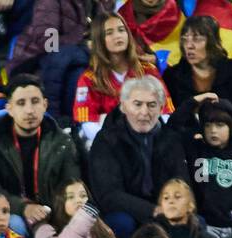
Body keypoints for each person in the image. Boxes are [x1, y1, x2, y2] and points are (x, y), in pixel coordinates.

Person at [89, 76, 190, 238]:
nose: (144, 112)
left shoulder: (171, 139)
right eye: (137, 104)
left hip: (164, 208)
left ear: (161, 108)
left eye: (151, 105)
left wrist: (174, 208)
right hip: (124, 211)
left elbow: (181, 181)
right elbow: (109, 195)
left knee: (193, 222)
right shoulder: (106, 140)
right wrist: (153, 210)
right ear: (123, 106)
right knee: (122, 222)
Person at [0, 76, 81, 238]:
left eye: (35, 101)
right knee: (15, 224)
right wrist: (23, 208)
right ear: (9, 109)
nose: (29, 110)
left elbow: (72, 185)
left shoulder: (63, 142)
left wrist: (52, 212)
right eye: (21, 103)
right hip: (12, 213)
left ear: (45, 105)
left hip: (54, 212)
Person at [73, 12, 172, 148]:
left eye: (121, 30)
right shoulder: (89, 79)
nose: (118, 36)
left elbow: (166, 113)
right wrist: (115, 144)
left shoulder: (148, 71)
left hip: (149, 141)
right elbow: (87, 123)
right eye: (109, 32)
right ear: (99, 39)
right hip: (108, 145)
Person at [171, 97, 232, 238]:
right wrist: (194, 101)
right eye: (207, 125)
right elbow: (173, 126)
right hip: (204, 226)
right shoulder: (195, 150)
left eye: (220, 125)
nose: (213, 131)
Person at [162, 15, 232, 146]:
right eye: (185, 39)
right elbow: (171, 120)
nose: (189, 46)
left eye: (197, 39)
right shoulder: (172, 76)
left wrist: (231, 140)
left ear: (212, 41)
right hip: (188, 146)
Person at [9, 0, 91, 121]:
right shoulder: (48, 2)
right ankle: (59, 122)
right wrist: (83, 43)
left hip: (74, 60)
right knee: (78, 73)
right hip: (34, 63)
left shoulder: (95, 3)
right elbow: (47, 42)